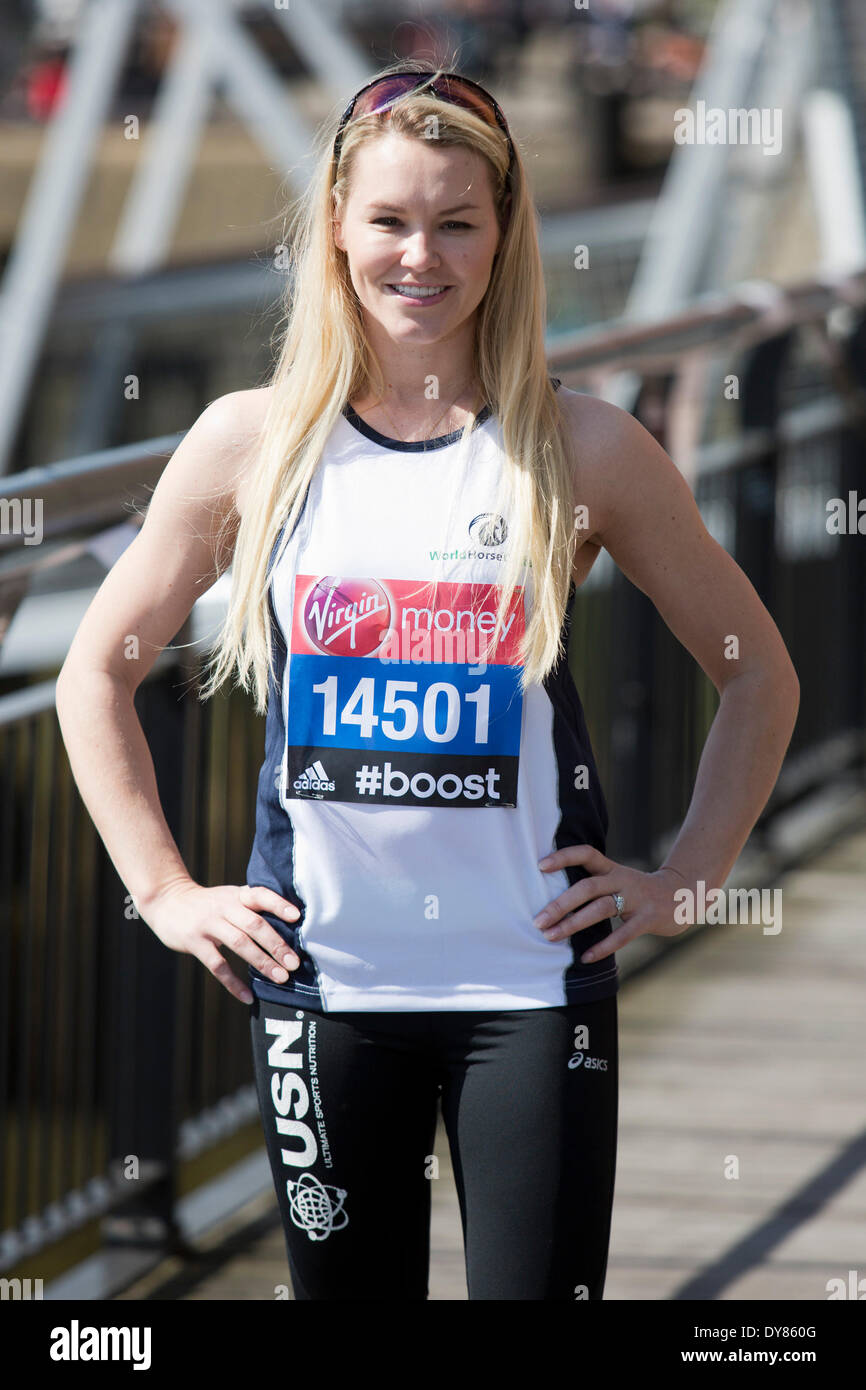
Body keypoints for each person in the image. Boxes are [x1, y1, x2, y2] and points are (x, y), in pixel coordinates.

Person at [55, 61, 800, 1301]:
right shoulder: (252, 442)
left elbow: (755, 676)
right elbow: (98, 670)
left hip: (528, 986)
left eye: (458, 222)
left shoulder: (585, 446)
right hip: (321, 990)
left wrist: (683, 880)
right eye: (390, 220)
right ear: (336, 225)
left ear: (503, 237)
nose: (422, 256)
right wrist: (167, 891)